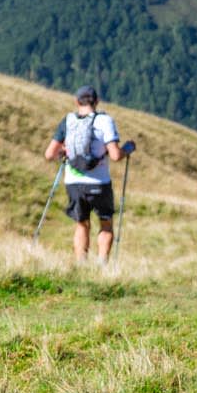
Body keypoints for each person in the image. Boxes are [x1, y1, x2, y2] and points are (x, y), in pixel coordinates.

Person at [43, 84, 124, 261]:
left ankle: (82, 265)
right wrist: (128, 149)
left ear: (76, 101)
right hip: (99, 183)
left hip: (73, 182)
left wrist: (64, 153)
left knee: (82, 224)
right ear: (97, 101)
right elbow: (116, 155)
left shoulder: (68, 121)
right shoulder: (105, 121)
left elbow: (49, 154)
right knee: (106, 224)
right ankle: (102, 266)